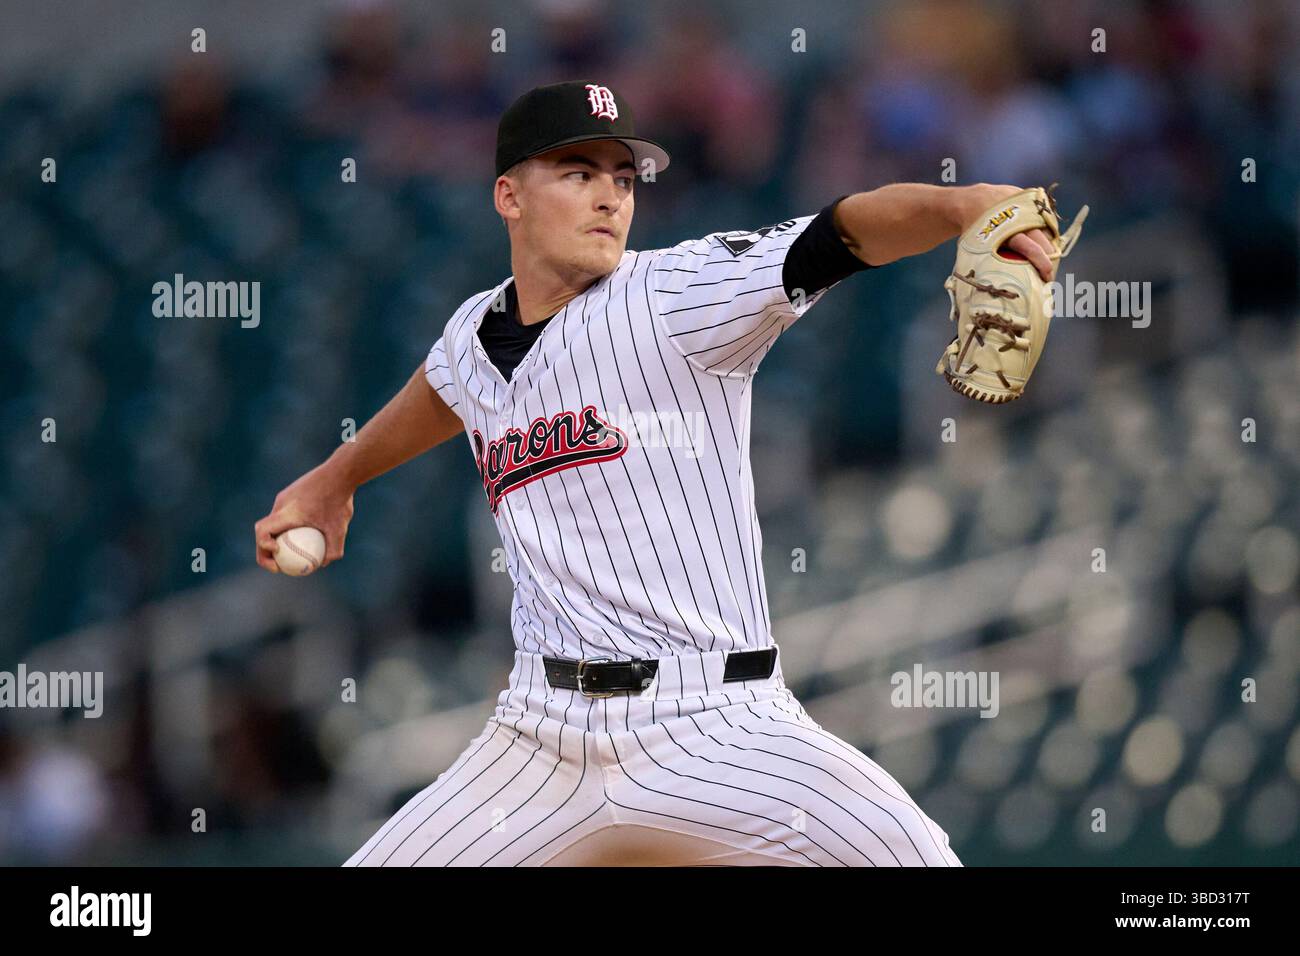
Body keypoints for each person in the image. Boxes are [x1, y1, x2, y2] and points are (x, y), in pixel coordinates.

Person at [255, 81, 1056, 866]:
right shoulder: (475, 330)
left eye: (623, 178)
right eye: (578, 173)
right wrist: (338, 477)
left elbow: (840, 233)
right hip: (540, 737)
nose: (609, 196)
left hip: (716, 724)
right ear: (509, 195)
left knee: (912, 855)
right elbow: (445, 388)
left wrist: (964, 204)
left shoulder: (678, 294)